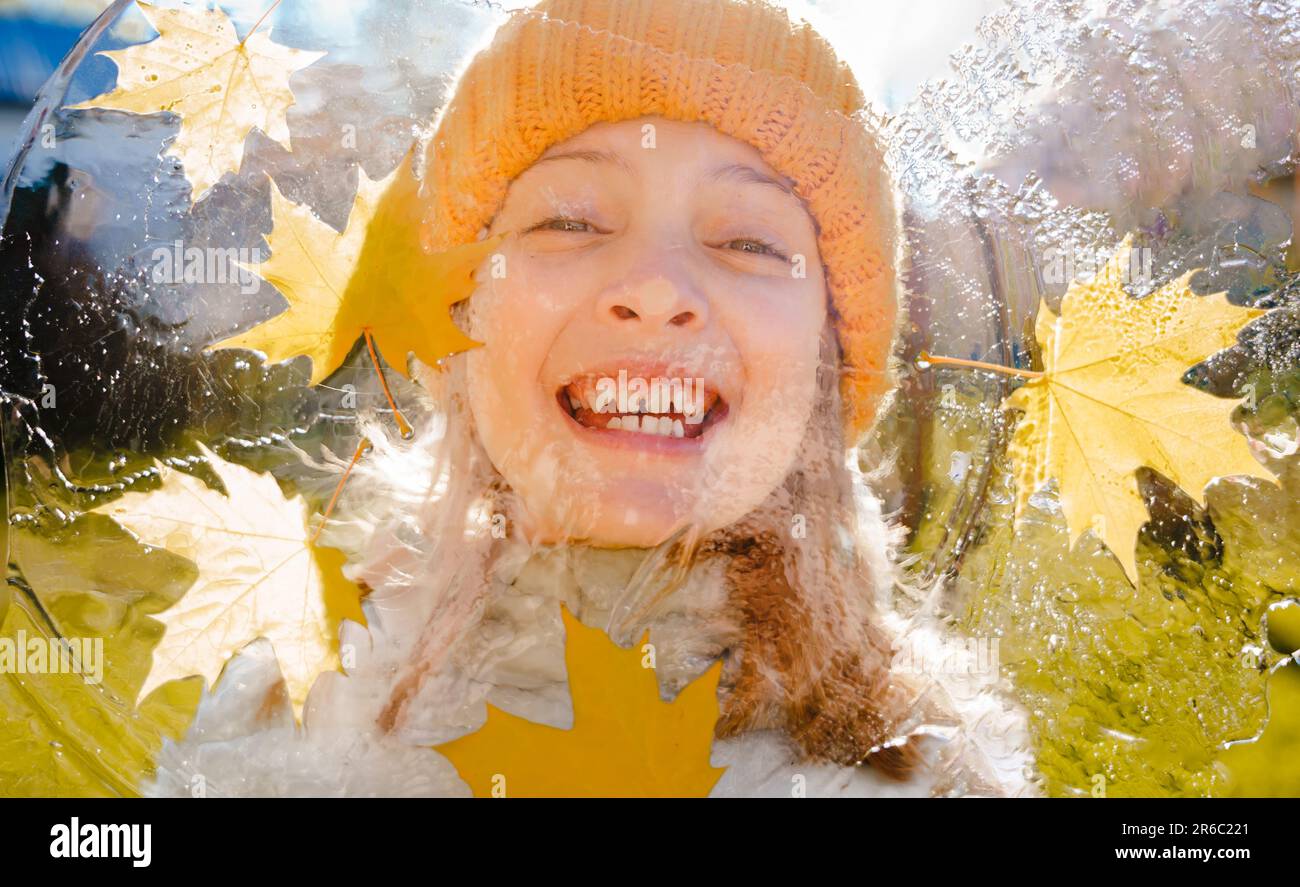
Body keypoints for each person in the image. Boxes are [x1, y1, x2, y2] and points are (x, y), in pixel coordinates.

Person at [149, 0, 1035, 798]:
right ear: (456, 319)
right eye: (569, 220)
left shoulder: (927, 772)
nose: (654, 287)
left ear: (823, 367)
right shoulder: (290, 715)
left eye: (748, 241)